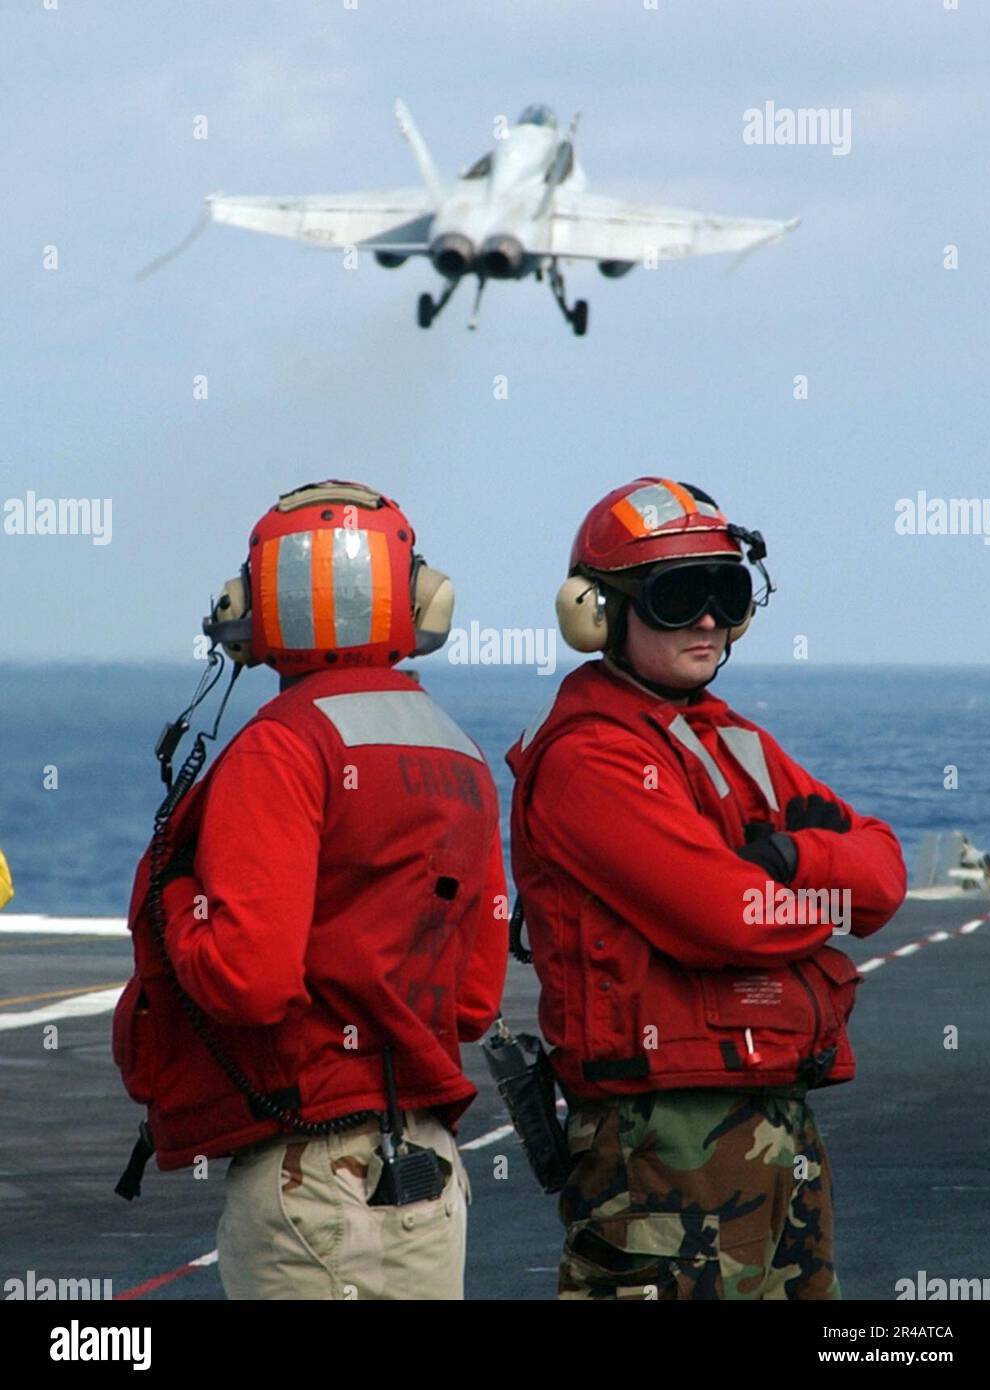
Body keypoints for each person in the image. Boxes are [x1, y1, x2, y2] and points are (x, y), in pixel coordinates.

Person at [506, 476, 907, 1300]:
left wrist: (788, 859)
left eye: (726, 593)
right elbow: (728, 919)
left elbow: (884, 876)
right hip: (661, 1143)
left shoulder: (728, 739)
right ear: (598, 612)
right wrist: (812, 887)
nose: (707, 621)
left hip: (773, 1125)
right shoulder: (589, 758)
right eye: (676, 596)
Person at [114, 480, 507, 1300]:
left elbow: (247, 980)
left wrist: (175, 898)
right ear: (419, 603)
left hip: (312, 1181)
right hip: (427, 1177)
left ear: (248, 611)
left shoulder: (281, 748)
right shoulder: (459, 754)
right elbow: (471, 1003)